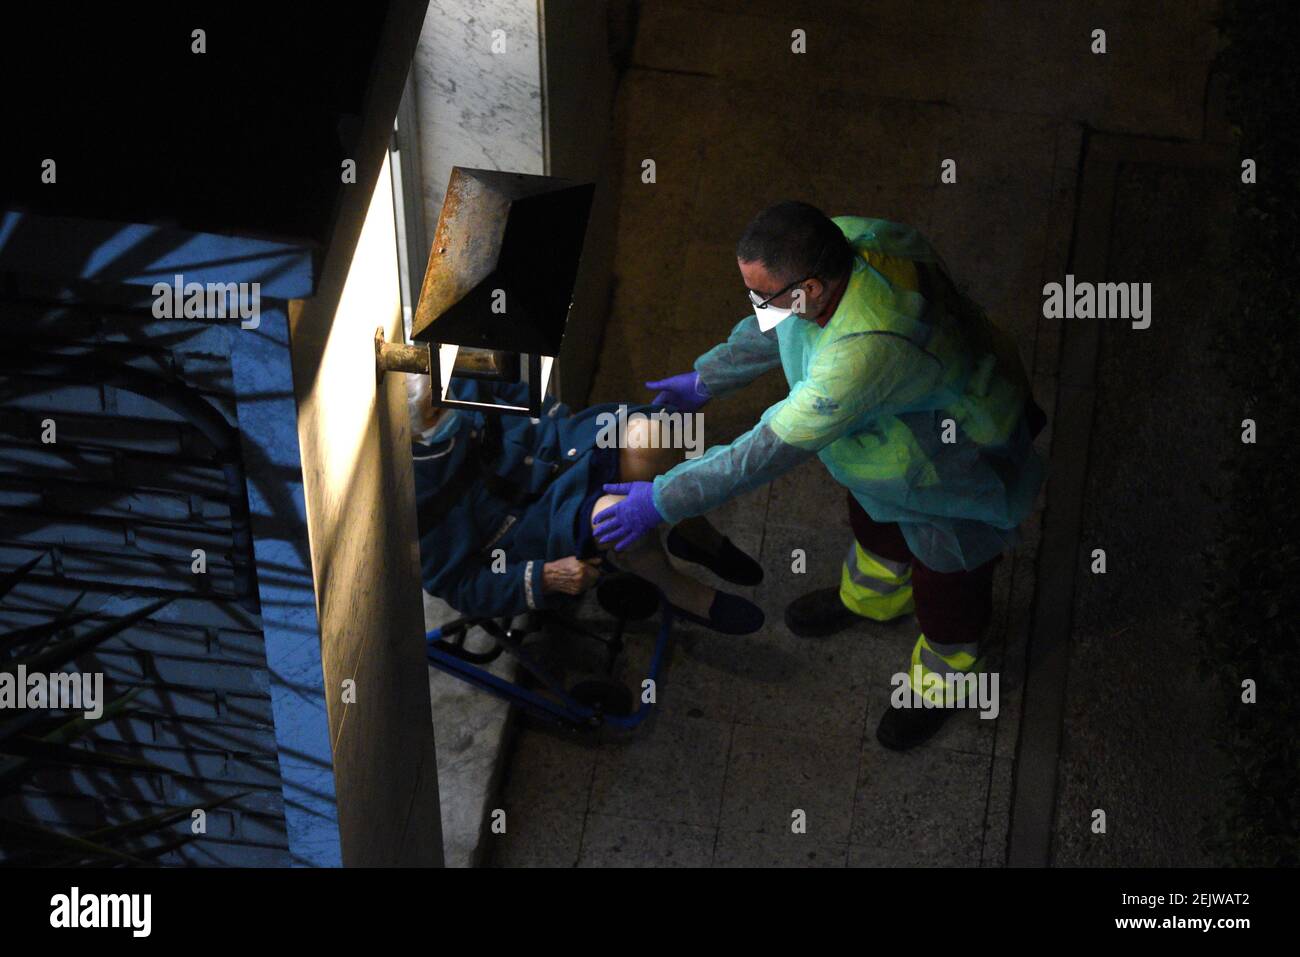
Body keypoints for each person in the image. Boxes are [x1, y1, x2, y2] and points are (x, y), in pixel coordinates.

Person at [592, 201, 1047, 749]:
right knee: (876, 525)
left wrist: (662, 500)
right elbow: (771, 325)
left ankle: (946, 679)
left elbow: (761, 451)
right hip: (886, 454)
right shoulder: (850, 239)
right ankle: (875, 596)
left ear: (811, 288)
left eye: (766, 294)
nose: (758, 306)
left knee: (949, 575)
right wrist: (709, 377)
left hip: (945, 463)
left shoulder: (865, 351)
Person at [408, 372, 765, 635]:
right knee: (616, 514)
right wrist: (544, 578)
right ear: (408, 433)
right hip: (531, 522)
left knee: (651, 434)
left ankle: (691, 531)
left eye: (443, 393)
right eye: (433, 411)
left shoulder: (443, 380)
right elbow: (458, 584)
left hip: (561, 449)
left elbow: (512, 388)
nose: (446, 403)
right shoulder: (416, 496)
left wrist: (553, 417)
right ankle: (675, 589)